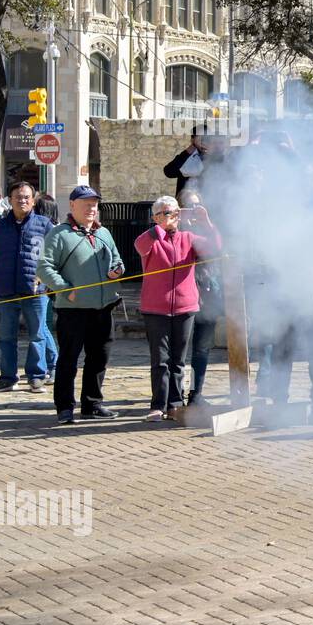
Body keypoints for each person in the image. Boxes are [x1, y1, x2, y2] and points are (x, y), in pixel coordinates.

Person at [36, 186, 125, 425]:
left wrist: (118, 270)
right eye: (86, 203)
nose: (91, 208)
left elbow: (117, 259)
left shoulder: (104, 233)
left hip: (104, 307)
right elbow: (44, 267)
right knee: (68, 360)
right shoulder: (59, 234)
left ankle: (92, 404)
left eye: (94, 204)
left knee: (99, 358)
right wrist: (65, 289)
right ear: (72, 205)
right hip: (72, 310)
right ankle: (65, 407)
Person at [134, 195, 220, 421]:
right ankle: (157, 405)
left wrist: (205, 222)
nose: (173, 216)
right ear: (155, 217)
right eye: (165, 212)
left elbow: (215, 248)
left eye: (174, 212)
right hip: (156, 307)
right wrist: (160, 227)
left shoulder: (188, 237)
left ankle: (175, 403)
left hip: (185, 307)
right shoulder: (152, 239)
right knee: (160, 359)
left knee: (178, 360)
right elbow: (140, 245)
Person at [0, 182, 55, 393]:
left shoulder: (45, 224)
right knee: (6, 337)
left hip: (35, 290)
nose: (22, 200)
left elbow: (52, 255)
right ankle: (8, 377)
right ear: (10, 200)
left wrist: (44, 279)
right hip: (7, 289)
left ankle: (36, 376)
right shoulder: (0, 226)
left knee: (37, 336)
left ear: (34, 200)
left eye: (27, 197)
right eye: (18, 197)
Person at [178, 189, 222, 406]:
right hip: (182, 296)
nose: (192, 210)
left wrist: (206, 222)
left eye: (196, 205)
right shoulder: (173, 229)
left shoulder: (208, 228)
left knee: (202, 350)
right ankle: (174, 396)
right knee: (178, 352)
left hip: (207, 294)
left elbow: (216, 248)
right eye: (187, 205)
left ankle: (196, 394)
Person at [163, 124, 213, 197]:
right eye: (201, 137)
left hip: (209, 202)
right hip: (186, 203)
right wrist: (190, 150)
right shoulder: (186, 157)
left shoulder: (215, 156)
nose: (204, 140)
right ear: (193, 139)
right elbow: (169, 172)